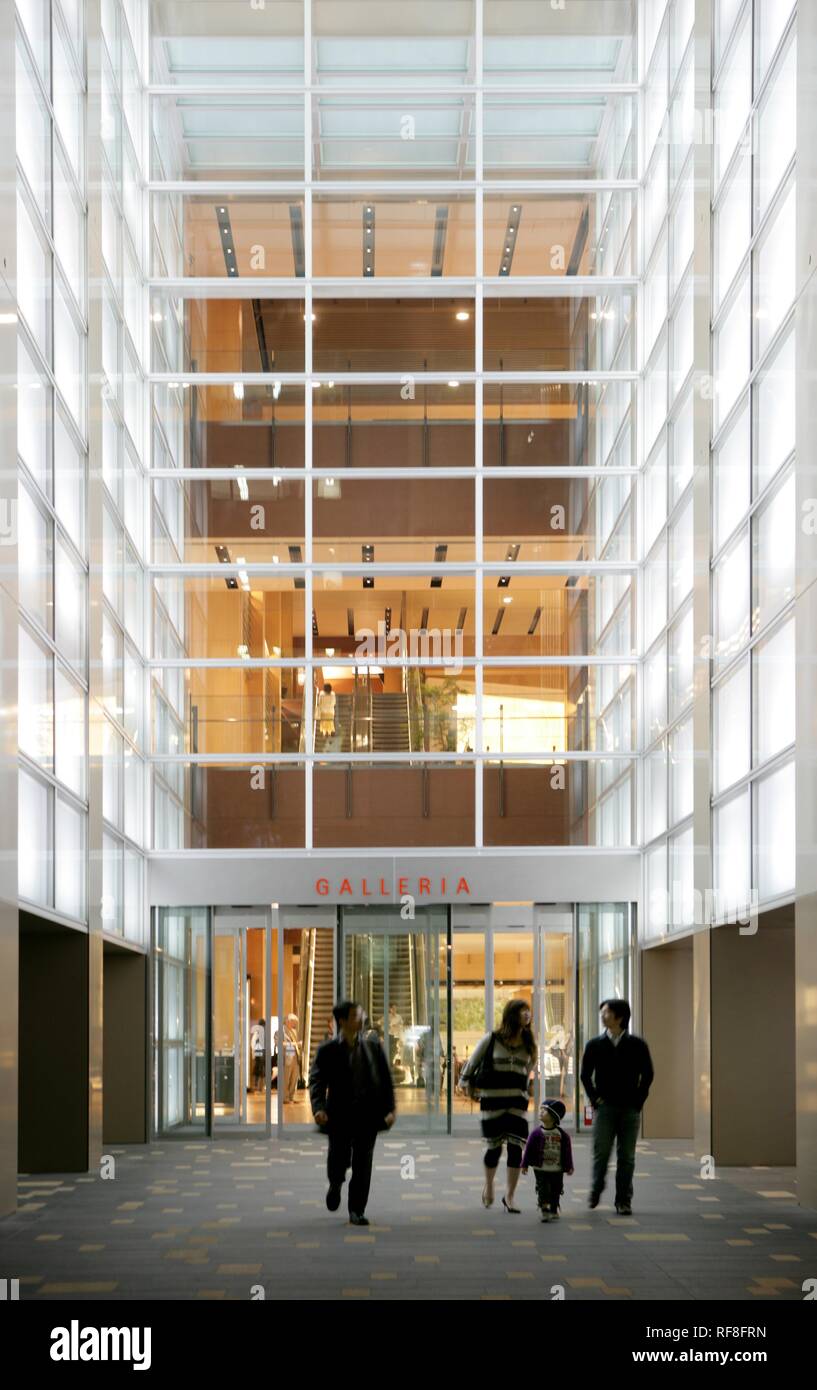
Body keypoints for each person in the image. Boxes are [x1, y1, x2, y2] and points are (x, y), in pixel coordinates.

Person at [309, 999, 396, 1226]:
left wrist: (390, 1109)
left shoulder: (372, 1047)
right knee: (338, 1158)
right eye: (356, 1015)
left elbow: (385, 1081)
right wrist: (318, 1108)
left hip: (367, 1116)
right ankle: (336, 1183)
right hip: (339, 1115)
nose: (361, 1018)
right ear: (343, 1021)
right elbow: (316, 1080)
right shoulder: (328, 1050)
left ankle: (356, 1209)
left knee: (363, 1164)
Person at [458, 998, 537, 1214]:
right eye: (523, 1011)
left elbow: (527, 1070)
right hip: (492, 1102)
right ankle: (489, 1184)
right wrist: (465, 1085)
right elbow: (472, 1063)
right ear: (512, 1015)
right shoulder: (492, 1039)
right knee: (494, 1148)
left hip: (517, 1103)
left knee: (515, 1148)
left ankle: (510, 1196)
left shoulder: (529, 1043)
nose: (527, 1015)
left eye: (528, 1012)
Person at [580, 998, 654, 1216]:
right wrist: (595, 1100)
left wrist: (638, 1101)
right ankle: (597, 1187)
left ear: (620, 1017)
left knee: (627, 1157)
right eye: (602, 1012)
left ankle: (623, 1200)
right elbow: (585, 1075)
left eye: (607, 1013)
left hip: (630, 1109)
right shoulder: (594, 1045)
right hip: (605, 1109)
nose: (603, 1016)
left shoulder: (637, 1045)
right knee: (601, 1152)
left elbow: (648, 1074)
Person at [521, 1100, 574, 1222]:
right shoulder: (536, 1133)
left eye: (544, 1110)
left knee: (556, 1189)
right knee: (543, 1189)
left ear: (553, 1116)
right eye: (541, 1109)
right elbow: (528, 1150)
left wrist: (569, 1166)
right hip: (540, 1168)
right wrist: (524, 1164)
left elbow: (567, 1152)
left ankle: (554, 1210)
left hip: (557, 1168)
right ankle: (544, 1210)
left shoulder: (562, 1135)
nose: (540, 1112)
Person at [283, 1014, 302, 1103]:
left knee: (294, 1079)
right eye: (293, 1022)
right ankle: (285, 1098)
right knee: (286, 1079)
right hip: (287, 1057)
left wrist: (298, 1045)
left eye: (295, 1023)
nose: (294, 1024)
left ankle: (291, 1096)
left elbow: (296, 1043)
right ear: (288, 1021)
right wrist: (295, 1044)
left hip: (296, 1057)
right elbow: (282, 1044)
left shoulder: (294, 1031)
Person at [250, 1017, 265, 1092]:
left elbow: (253, 1044)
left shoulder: (257, 1032)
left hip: (257, 1054)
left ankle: (257, 1086)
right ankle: (258, 1087)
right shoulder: (261, 1032)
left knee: (257, 1070)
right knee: (260, 1070)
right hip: (260, 1054)